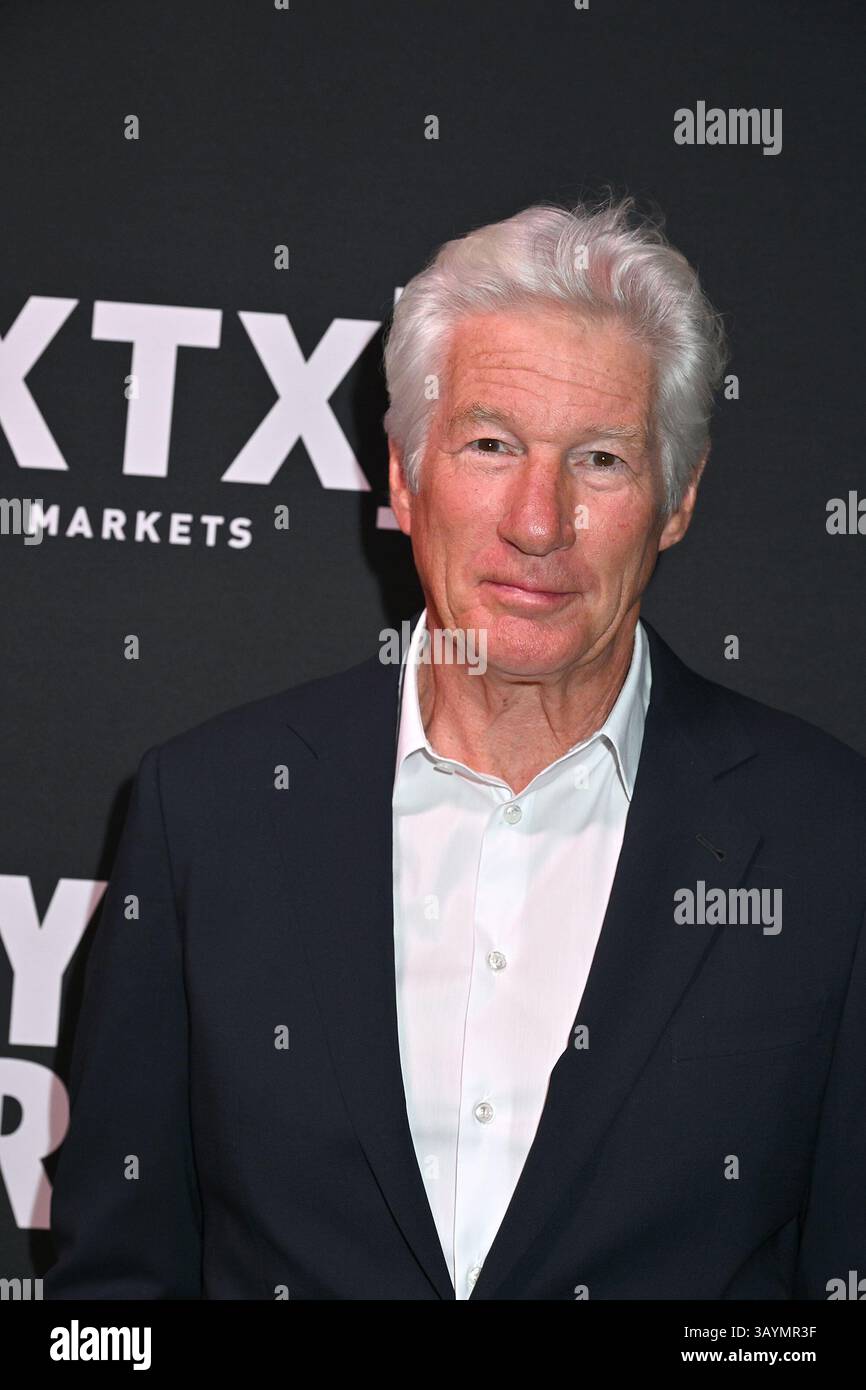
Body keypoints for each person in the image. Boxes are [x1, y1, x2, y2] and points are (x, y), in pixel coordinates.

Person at [44, 196, 866, 1300]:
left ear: (677, 499)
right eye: (489, 444)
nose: (537, 519)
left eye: (601, 460)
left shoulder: (827, 843)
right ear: (402, 473)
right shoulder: (207, 812)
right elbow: (115, 1295)